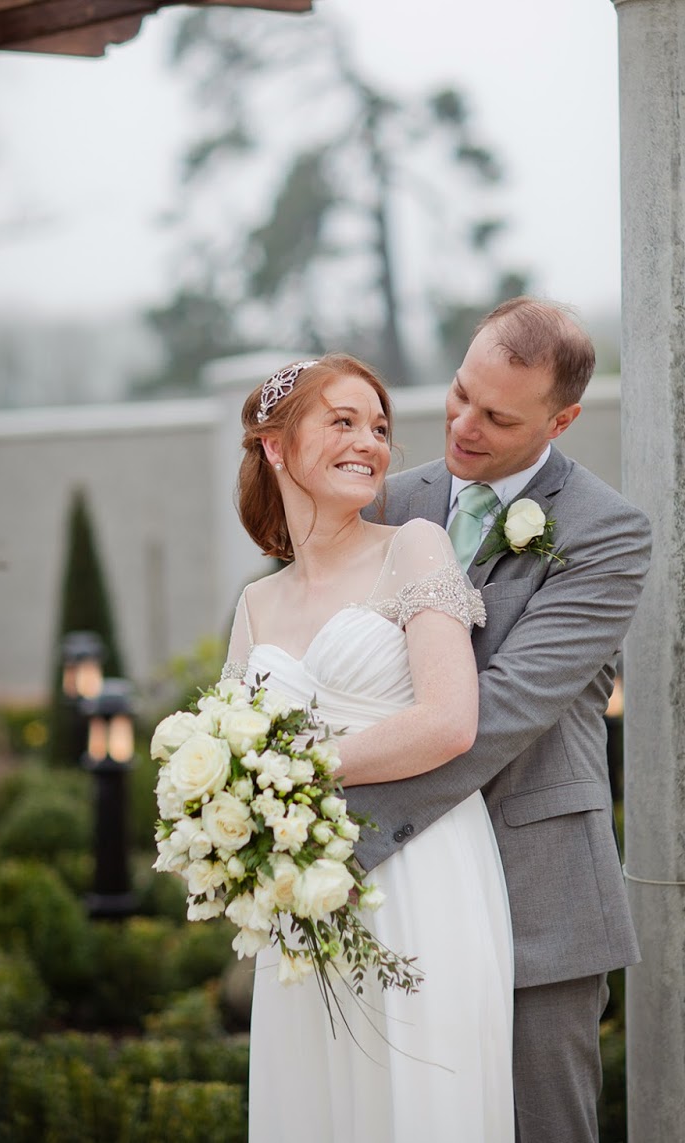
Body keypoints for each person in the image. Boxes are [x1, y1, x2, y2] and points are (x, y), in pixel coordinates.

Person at [347, 298, 651, 1143]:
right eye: (458, 394)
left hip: (538, 896)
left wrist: (325, 817)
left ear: (563, 418)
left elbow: (504, 707)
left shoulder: (607, 531)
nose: (463, 425)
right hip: (395, 900)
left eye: (498, 415)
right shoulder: (386, 500)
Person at [223, 354, 515, 1141]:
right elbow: (229, 763)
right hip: (305, 905)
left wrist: (298, 772)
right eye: (342, 421)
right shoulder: (254, 604)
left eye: (380, 426)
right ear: (276, 447)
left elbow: (450, 719)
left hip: (422, 877)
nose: (370, 442)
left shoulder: (413, 546)